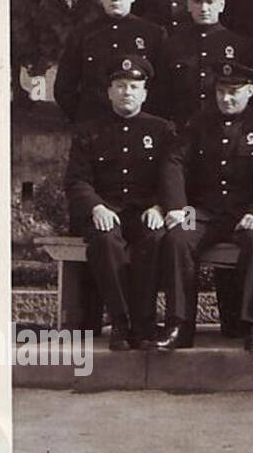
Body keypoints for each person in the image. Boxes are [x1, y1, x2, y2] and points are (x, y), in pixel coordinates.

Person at [157, 61, 253, 350]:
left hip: (246, 212)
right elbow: (174, 162)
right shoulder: (198, 122)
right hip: (202, 211)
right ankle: (179, 325)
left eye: (234, 92)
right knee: (178, 238)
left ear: (250, 91)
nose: (226, 98)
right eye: (221, 91)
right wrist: (177, 207)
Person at [63, 54, 173, 350]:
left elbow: (172, 177)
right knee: (105, 243)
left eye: (134, 87)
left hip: (144, 212)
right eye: (120, 86)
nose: (127, 92)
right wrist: (95, 206)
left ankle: (145, 323)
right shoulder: (89, 130)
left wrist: (160, 207)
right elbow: (76, 180)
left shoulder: (163, 130)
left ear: (145, 93)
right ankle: (123, 324)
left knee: (155, 238)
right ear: (109, 91)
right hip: (104, 210)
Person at [55, 0, 166, 124]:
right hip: (95, 126)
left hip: (140, 127)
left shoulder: (153, 34)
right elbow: (64, 87)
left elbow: (162, 87)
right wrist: (84, 120)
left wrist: (148, 121)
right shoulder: (83, 34)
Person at [156, 0, 253, 126]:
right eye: (197, 2)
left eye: (210, 2)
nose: (203, 8)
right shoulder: (172, 45)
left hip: (221, 131)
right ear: (188, 5)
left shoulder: (240, 45)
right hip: (182, 126)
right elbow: (162, 93)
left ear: (222, 5)